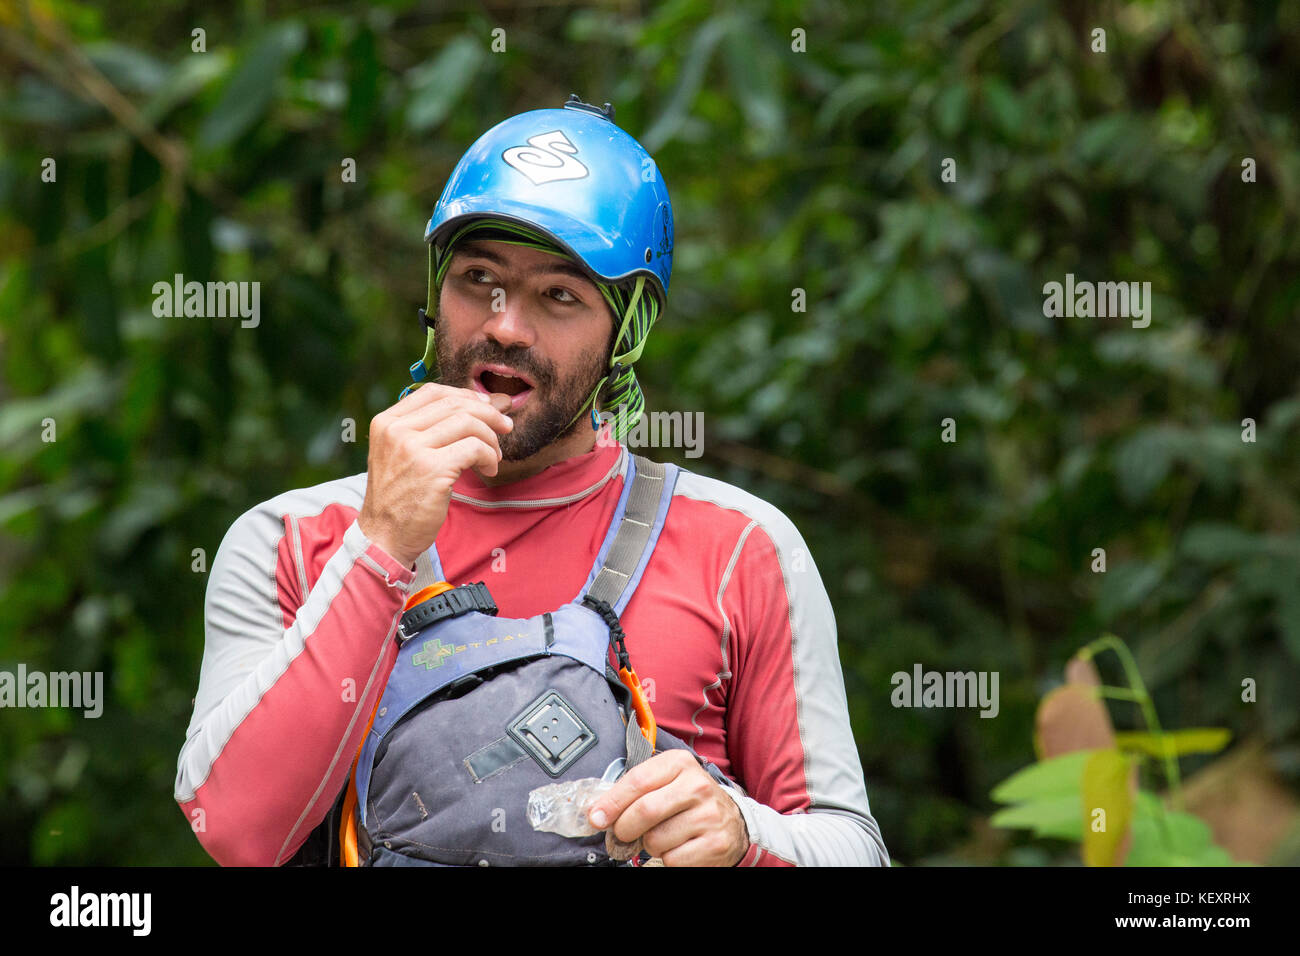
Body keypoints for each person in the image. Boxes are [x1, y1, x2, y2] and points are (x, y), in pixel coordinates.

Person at [174, 95, 889, 867]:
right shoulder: (290, 539)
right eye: (479, 278)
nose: (506, 325)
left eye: (560, 295)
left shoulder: (741, 549)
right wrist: (379, 544)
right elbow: (238, 833)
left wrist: (745, 835)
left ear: (627, 333)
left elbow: (853, 847)